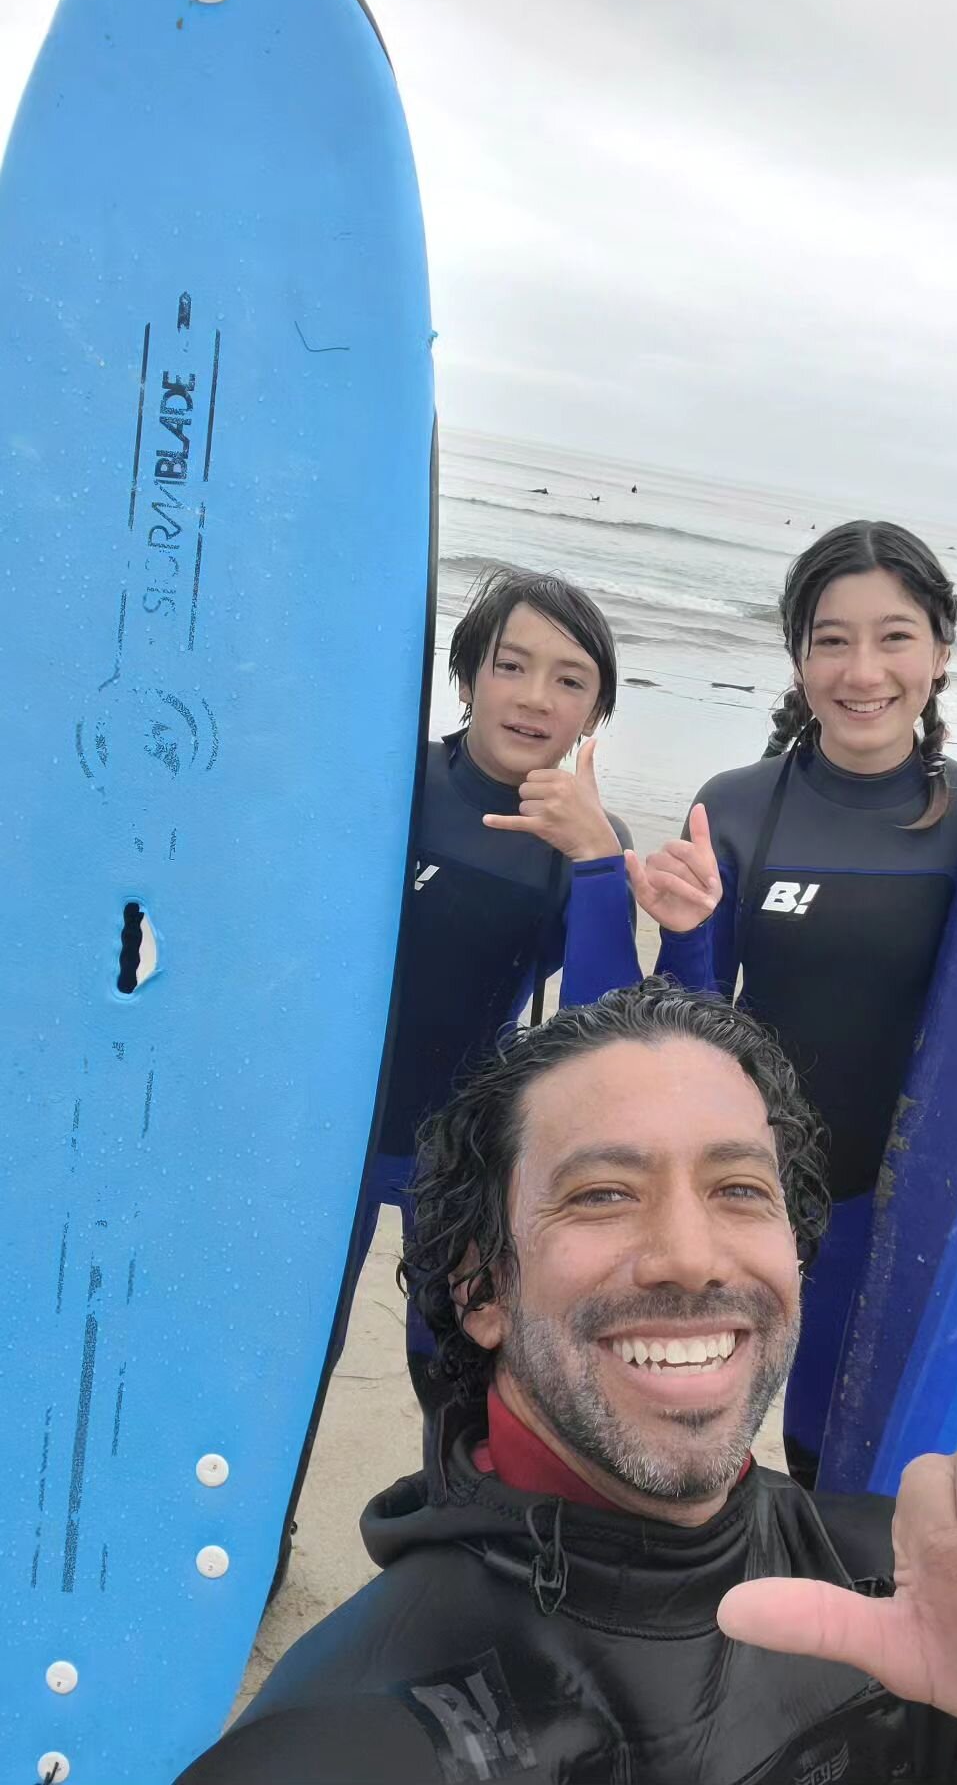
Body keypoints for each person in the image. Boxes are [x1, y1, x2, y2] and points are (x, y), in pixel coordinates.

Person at [179, 981, 957, 1785]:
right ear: (481, 1283)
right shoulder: (364, 1736)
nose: (692, 1256)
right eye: (604, 1195)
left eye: (741, 1192)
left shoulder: (914, 1597)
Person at [626, 520, 957, 1485]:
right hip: (746, 1189)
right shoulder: (736, 807)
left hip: (893, 1203)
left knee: (833, 1441)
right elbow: (689, 1027)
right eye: (832, 638)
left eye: (895, 635)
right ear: (797, 657)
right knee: (699, 1423)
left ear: (942, 652)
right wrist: (685, 930)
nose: (862, 669)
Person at [344, 562, 638, 1415]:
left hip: (460, 1150)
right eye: (511, 664)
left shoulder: (588, 840)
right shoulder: (391, 784)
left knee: (457, 1378)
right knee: (292, 1350)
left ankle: (457, 1535)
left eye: (569, 679)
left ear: (595, 713)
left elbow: (603, 1029)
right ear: (468, 675)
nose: (535, 696)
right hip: (328, 1138)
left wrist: (596, 864)